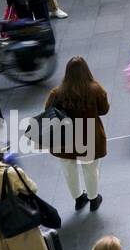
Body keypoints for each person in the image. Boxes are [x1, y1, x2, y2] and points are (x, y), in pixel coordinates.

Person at [43, 56, 109, 212]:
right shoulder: (95, 89)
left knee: (68, 169)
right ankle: (94, 199)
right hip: (88, 135)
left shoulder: (57, 92)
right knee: (90, 168)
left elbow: (48, 111)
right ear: (86, 71)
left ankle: (79, 198)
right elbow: (104, 110)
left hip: (64, 137)